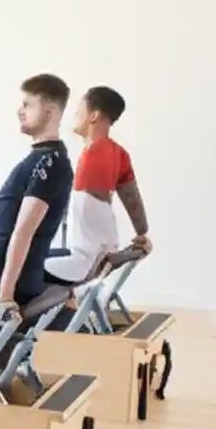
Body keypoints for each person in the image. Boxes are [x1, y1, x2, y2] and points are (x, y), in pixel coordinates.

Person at [0, 73, 75, 322]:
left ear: (49, 111)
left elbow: (23, 232)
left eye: (27, 104)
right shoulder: (45, 159)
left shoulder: (49, 164)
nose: (20, 110)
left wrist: (5, 296)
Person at [45, 85, 151, 284]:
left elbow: (91, 206)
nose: (75, 114)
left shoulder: (92, 156)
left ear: (93, 115)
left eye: (79, 110)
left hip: (84, 263)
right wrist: (141, 235)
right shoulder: (119, 154)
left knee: (17, 267)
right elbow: (134, 204)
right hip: (98, 258)